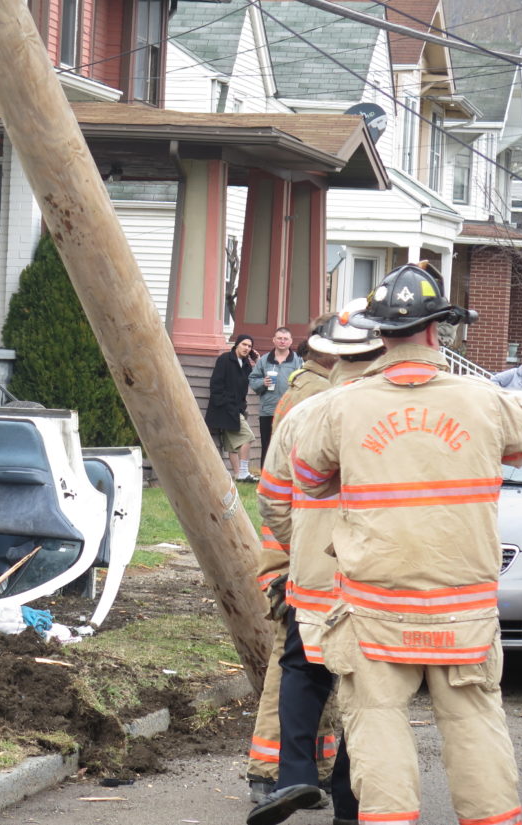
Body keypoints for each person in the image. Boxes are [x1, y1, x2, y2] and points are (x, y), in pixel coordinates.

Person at [291, 263, 522, 825]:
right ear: (438, 330)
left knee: (376, 723)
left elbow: (307, 477)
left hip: (376, 608)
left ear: (379, 333)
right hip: (464, 609)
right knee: (474, 723)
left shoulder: (342, 405)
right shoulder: (488, 400)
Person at [248, 308, 383, 825]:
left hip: (310, 574)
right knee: (368, 688)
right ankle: (346, 802)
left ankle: (293, 775)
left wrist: (302, 547)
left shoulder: (309, 408)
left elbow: (273, 498)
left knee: (302, 671)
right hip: (369, 578)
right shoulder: (378, 408)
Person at [244, 315, 340, 806]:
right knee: (294, 663)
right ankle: (270, 772)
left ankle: (310, 770)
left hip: (296, 549)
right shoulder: (313, 397)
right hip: (295, 555)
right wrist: (289, 561)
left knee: (314, 665)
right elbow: (285, 493)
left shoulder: (308, 388)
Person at [205, 334, 259, 482]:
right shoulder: (224, 359)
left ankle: (237, 475)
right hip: (224, 408)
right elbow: (216, 385)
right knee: (248, 437)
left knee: (232, 445)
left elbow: (251, 381)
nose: (247, 348)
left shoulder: (247, 364)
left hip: (237, 408)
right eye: (244, 344)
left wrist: (258, 361)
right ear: (236, 345)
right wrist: (226, 404)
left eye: (249, 346)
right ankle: (243, 472)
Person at [249, 327, 302, 463]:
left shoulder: (298, 361)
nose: (282, 341)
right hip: (268, 410)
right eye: (279, 338)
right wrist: (262, 382)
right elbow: (253, 379)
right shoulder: (264, 360)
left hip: (290, 411)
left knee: (288, 445)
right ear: (274, 340)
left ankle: (285, 480)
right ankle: (264, 480)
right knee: (267, 446)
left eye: (285, 339)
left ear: (291, 342)